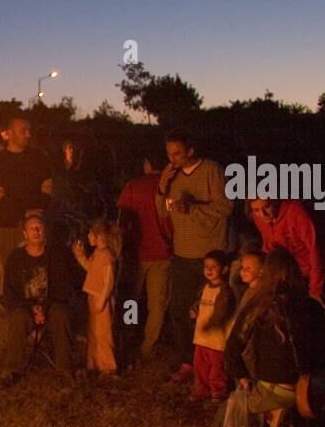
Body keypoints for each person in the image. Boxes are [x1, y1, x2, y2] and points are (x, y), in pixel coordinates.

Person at [222, 249, 325, 427]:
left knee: (229, 417)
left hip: (275, 387)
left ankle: (273, 418)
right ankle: (289, 420)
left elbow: (232, 347)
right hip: (310, 391)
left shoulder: (258, 307)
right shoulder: (312, 306)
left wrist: (241, 376)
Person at [156, 129, 231, 383]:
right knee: (178, 309)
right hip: (182, 252)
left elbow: (225, 208)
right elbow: (163, 212)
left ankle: (219, 366)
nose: (172, 158)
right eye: (168, 154)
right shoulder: (172, 176)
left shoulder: (211, 170)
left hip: (209, 252)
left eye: (177, 153)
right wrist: (162, 188)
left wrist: (192, 208)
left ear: (190, 150)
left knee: (211, 312)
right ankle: (188, 361)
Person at [0, 212, 72, 384]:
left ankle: (64, 369)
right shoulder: (16, 258)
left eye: (39, 227)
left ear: (45, 231)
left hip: (50, 306)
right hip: (25, 307)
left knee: (61, 315)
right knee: (18, 318)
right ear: (25, 233)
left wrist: (45, 308)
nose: (36, 231)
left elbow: (62, 288)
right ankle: (10, 371)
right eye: (32, 228)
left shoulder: (55, 257)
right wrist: (31, 308)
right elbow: (10, 291)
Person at [116, 153, 173, 358]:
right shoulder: (170, 188)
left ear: (147, 163)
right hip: (163, 253)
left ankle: (129, 333)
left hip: (135, 252)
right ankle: (149, 345)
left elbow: (121, 221)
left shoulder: (133, 187)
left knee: (131, 298)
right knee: (157, 304)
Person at [0, 117, 54, 256]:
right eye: (23, 131)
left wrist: (37, 211)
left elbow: (47, 186)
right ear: (10, 134)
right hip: (10, 227)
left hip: (38, 225)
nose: (28, 135)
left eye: (28, 131)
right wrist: (23, 212)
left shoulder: (38, 157)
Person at [248, 196, 325, 308]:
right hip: (289, 272)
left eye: (267, 207)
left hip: (312, 271)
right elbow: (269, 247)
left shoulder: (295, 212)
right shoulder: (259, 217)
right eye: (256, 210)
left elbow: (316, 251)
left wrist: (315, 290)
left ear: (275, 200)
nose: (263, 214)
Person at [72, 219, 119, 374]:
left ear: (99, 236)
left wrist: (102, 300)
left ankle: (108, 366)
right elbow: (91, 269)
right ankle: (93, 363)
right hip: (93, 297)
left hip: (101, 300)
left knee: (103, 334)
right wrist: (80, 257)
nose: (88, 236)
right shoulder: (98, 253)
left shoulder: (107, 256)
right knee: (92, 332)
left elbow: (108, 281)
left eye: (90, 233)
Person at [189, 250, 236, 400]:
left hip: (216, 338)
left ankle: (218, 390)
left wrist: (211, 324)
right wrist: (194, 310)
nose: (209, 270)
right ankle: (201, 389)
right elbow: (201, 303)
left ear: (224, 269)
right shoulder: (205, 287)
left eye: (214, 267)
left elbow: (222, 311)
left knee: (217, 367)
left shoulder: (225, 290)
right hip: (201, 338)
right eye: (206, 266)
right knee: (200, 365)